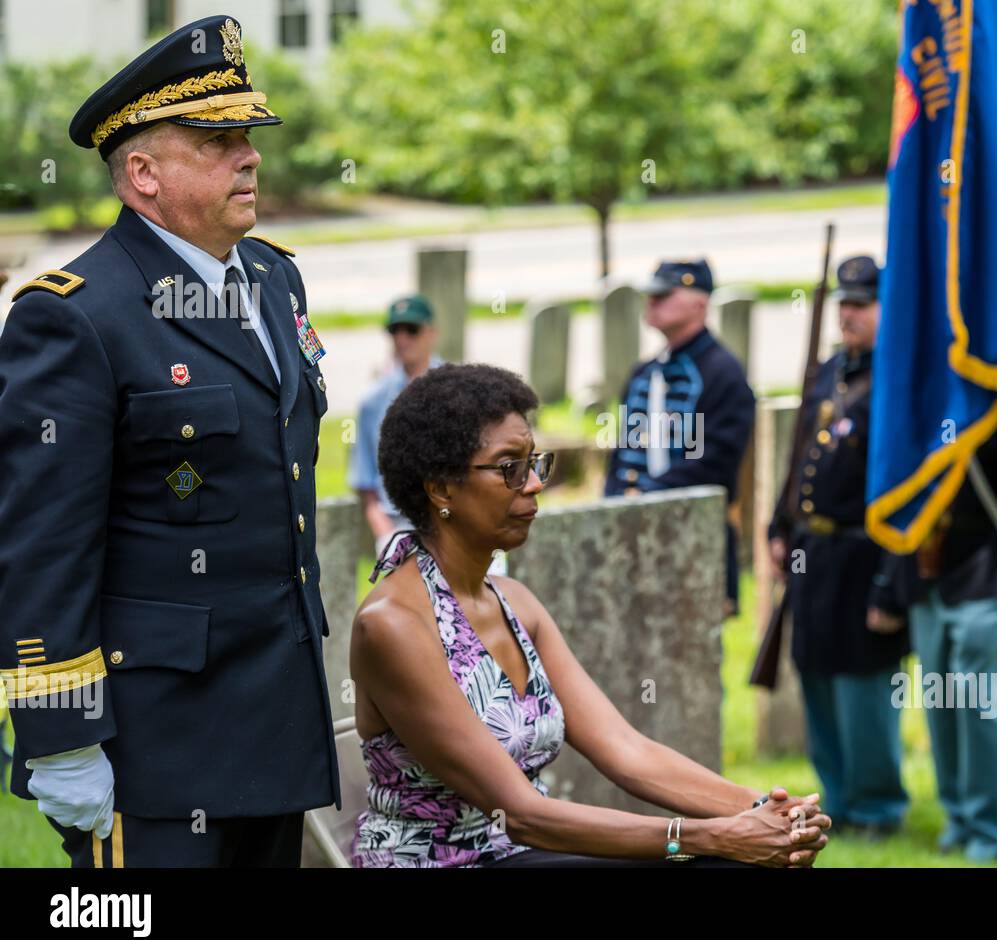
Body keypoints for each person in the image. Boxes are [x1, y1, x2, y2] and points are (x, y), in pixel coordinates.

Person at [0, 15, 339, 866]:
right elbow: (44, 543)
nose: (250, 156)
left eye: (248, 136)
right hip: (154, 743)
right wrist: (63, 736)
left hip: (277, 722)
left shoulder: (272, 276)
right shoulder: (75, 315)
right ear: (143, 172)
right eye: (217, 140)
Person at [351, 363, 830, 867]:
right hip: (449, 860)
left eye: (535, 462)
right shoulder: (394, 624)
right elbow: (521, 813)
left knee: (750, 857)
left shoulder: (515, 603)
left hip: (520, 852)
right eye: (509, 467)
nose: (534, 483)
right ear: (441, 489)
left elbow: (626, 750)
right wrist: (713, 836)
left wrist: (766, 809)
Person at [767, 255, 910, 839]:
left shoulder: (900, 379)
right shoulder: (829, 371)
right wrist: (780, 525)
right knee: (817, 673)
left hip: (865, 555)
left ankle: (878, 807)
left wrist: (893, 582)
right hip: (814, 555)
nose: (847, 314)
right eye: (843, 303)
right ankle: (840, 798)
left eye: (860, 304)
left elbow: (905, 485)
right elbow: (802, 454)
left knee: (863, 685)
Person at [604, 259, 756, 616]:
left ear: (699, 304)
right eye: (651, 296)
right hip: (629, 535)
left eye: (664, 295)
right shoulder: (645, 372)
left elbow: (714, 466)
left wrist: (643, 498)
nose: (652, 303)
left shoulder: (723, 375)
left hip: (689, 536)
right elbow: (622, 455)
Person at [902, 424, 997, 862]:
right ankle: (958, 814)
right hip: (925, 566)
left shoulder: (989, 380)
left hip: (984, 562)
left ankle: (993, 828)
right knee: (938, 698)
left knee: (978, 701)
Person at [350, 293, 444, 552]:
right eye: (395, 331)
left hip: (453, 518)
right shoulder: (372, 402)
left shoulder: (458, 391)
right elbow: (365, 479)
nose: (402, 339)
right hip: (398, 523)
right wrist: (386, 537)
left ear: (432, 332)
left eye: (411, 330)